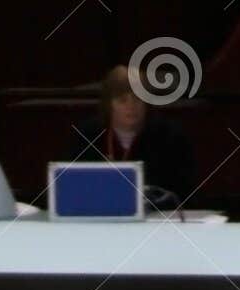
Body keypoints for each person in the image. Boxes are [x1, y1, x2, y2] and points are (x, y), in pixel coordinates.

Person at [72, 64, 196, 210]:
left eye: (138, 99)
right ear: (109, 105)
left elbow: (183, 193)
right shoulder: (87, 135)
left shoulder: (169, 137)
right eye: (123, 100)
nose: (131, 106)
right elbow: (71, 188)